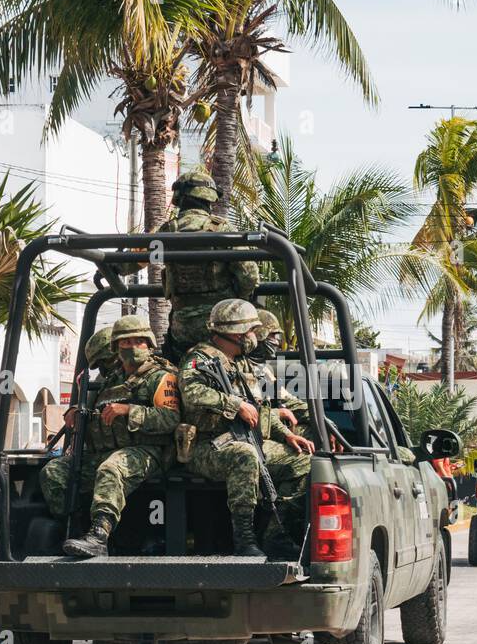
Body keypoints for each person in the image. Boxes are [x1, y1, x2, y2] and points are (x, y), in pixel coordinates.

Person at [180, 299, 315, 557]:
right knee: (245, 456)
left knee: (302, 462)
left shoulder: (242, 364)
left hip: (246, 438)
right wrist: (234, 404)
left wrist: (286, 435)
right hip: (207, 447)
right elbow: (192, 393)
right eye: (252, 331)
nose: (255, 337)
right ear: (237, 333)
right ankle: (244, 539)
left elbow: (260, 409)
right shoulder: (198, 358)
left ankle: (276, 535)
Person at [50, 315, 182, 558]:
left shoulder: (162, 376)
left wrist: (130, 410)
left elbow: (171, 419)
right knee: (54, 472)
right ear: (116, 348)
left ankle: (98, 536)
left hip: (147, 452)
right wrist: (76, 413)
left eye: (137, 341)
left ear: (149, 343)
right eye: (124, 343)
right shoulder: (110, 380)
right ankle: (78, 529)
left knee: (111, 468)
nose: (131, 347)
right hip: (106, 451)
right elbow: (92, 410)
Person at [158, 167, 260, 357]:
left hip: (181, 328)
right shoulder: (222, 229)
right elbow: (249, 276)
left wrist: (111, 269)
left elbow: (135, 260)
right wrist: (240, 300)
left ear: (179, 198)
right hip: (222, 328)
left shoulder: (166, 231)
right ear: (209, 198)